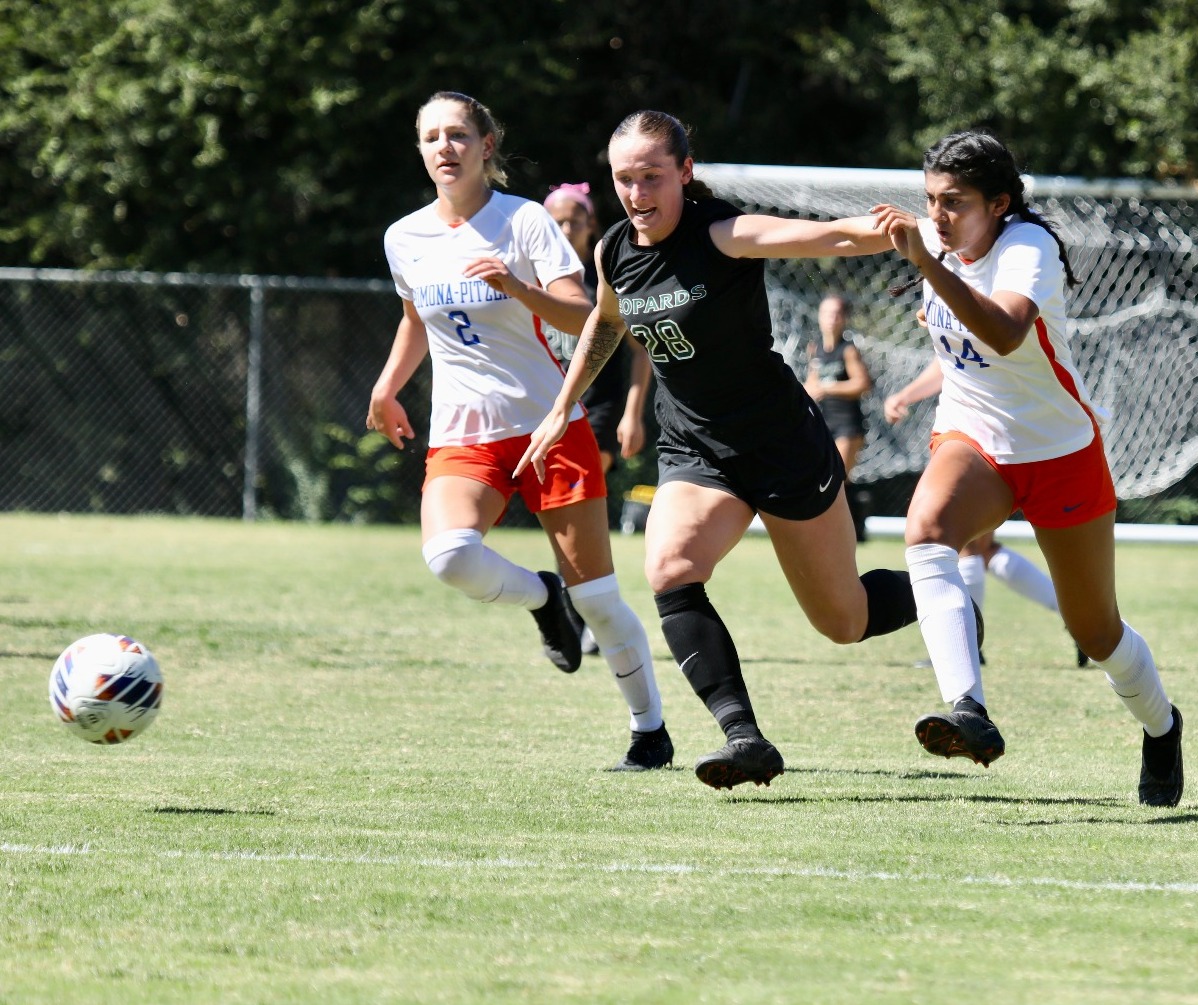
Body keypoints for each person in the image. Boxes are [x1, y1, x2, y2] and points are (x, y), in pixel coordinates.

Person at [517, 110, 922, 790]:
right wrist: (561, 409)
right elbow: (606, 322)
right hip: (697, 447)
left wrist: (897, 232)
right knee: (670, 566)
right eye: (624, 179)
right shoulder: (613, 248)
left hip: (781, 443)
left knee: (842, 620)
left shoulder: (724, 234)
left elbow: (823, 236)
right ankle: (744, 737)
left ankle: (947, 597)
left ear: (684, 172)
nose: (637, 193)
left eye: (652, 176)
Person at [872, 130, 1183, 807]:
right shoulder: (941, 251)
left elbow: (1005, 331)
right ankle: (967, 707)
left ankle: (1162, 726)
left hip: (1060, 452)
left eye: (954, 202)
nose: (938, 215)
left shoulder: (1027, 247)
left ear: (1000, 203)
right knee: (924, 530)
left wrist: (926, 259)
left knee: (1095, 631)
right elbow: (959, 345)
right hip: (974, 442)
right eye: (929, 201)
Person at [366, 92, 671, 772]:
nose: (444, 147)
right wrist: (387, 386)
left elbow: (581, 315)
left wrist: (514, 285)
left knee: (598, 597)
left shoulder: (525, 221)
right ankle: (542, 596)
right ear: (420, 150)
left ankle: (649, 730)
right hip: (462, 433)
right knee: (448, 555)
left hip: (546, 428)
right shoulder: (403, 236)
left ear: (486, 145)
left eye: (458, 135)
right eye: (431, 137)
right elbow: (417, 318)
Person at [883, 360, 1089, 667]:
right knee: (982, 548)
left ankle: (967, 647)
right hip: (997, 430)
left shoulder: (986, 315)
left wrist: (906, 394)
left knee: (962, 543)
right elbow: (950, 356)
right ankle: (1080, 622)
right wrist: (907, 394)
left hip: (983, 432)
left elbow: (958, 354)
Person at [544, 182, 656, 658]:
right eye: (557, 221)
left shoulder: (603, 279)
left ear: (591, 225)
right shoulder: (536, 279)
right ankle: (581, 613)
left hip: (599, 413)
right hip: (546, 411)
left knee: (572, 507)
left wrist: (633, 413)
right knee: (561, 516)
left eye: (575, 220)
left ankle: (584, 620)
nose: (566, 229)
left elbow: (640, 353)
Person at [803, 292, 874, 542]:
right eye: (826, 313)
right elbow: (812, 384)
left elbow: (863, 383)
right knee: (823, 479)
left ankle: (852, 531)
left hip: (848, 425)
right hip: (824, 423)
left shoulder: (848, 350)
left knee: (838, 480)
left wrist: (828, 387)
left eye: (836, 314)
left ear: (843, 318)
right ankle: (855, 517)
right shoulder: (815, 348)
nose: (831, 319)